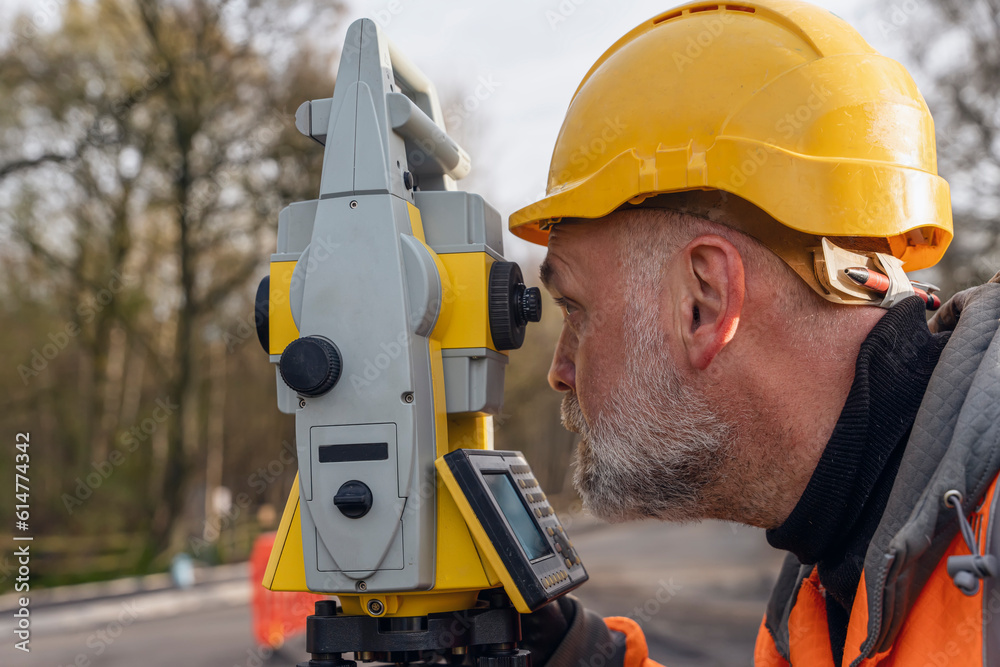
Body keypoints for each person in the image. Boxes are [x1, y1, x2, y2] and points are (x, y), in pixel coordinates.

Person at [507, 1, 1000, 665]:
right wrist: (582, 656)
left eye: (576, 307)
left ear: (704, 302)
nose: (559, 368)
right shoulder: (825, 572)